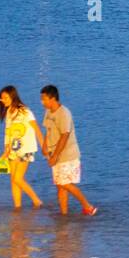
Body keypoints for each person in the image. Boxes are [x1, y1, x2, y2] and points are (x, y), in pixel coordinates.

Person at [40, 85, 97, 217]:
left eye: (44, 99)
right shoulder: (48, 112)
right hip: (54, 154)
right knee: (60, 186)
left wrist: (55, 156)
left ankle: (87, 206)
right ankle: (64, 215)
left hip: (67, 155)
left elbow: (64, 136)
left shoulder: (64, 113)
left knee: (64, 183)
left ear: (53, 98)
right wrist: (44, 146)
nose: (42, 102)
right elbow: (48, 130)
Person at [0, 86, 43, 210]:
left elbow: (36, 129)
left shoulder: (25, 111)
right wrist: (6, 150)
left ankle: (37, 201)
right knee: (13, 179)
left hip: (25, 149)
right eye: (1, 98)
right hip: (13, 150)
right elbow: (8, 132)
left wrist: (43, 146)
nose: (2, 100)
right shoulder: (9, 112)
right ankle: (17, 207)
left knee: (18, 178)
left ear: (13, 96)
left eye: (5, 97)